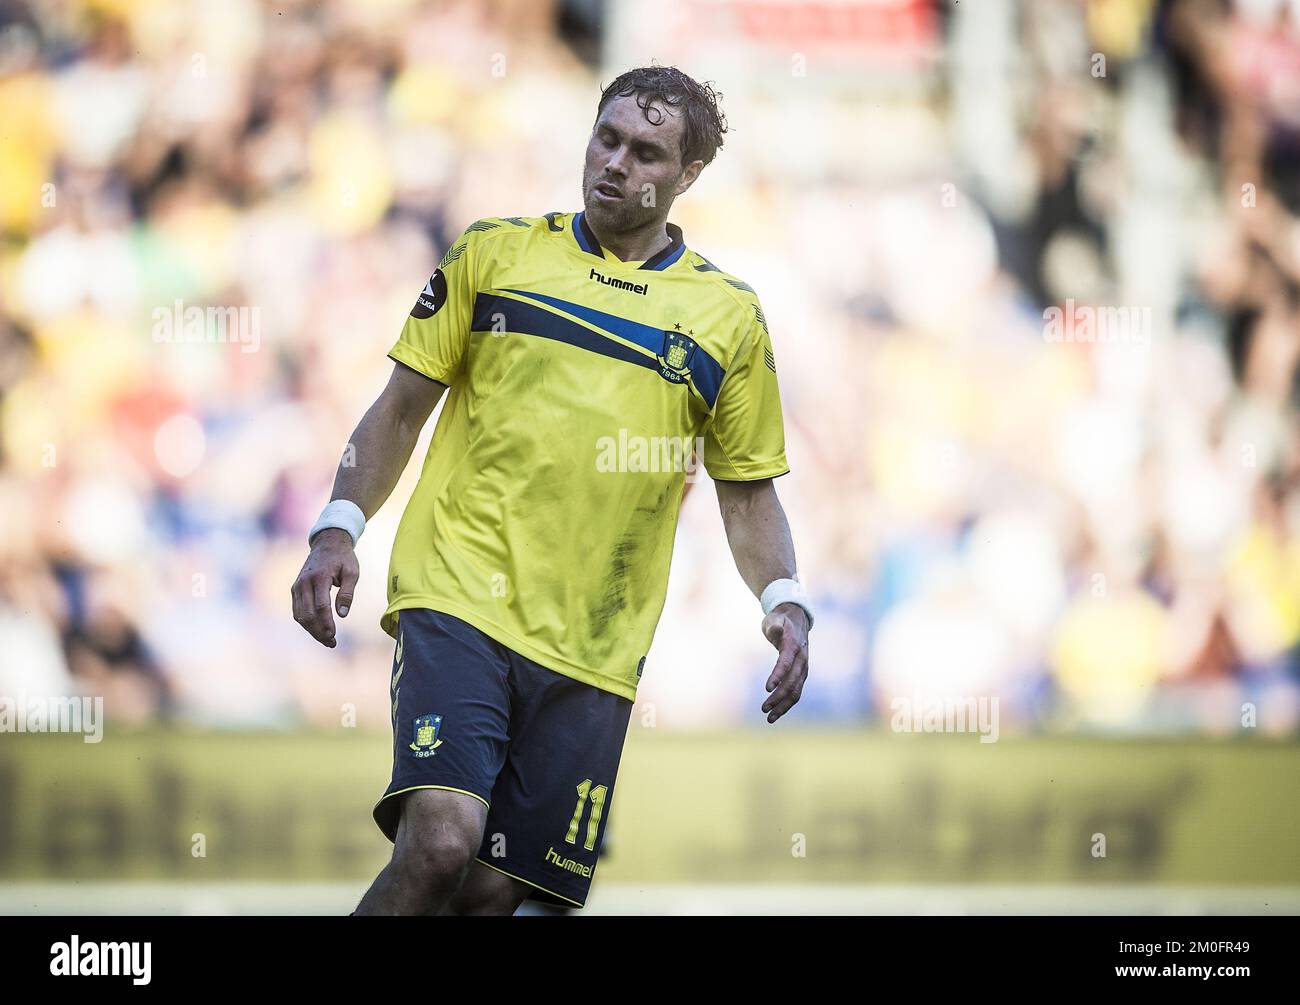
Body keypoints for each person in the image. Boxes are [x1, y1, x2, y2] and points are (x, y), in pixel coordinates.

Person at [290, 65, 813, 916]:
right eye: (605, 138)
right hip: (460, 594)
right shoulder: (495, 254)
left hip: (592, 646)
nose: (615, 162)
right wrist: (336, 529)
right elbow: (396, 413)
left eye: (646, 152)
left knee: (494, 894)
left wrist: (784, 597)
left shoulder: (728, 319)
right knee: (442, 842)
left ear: (687, 179)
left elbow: (747, 492)